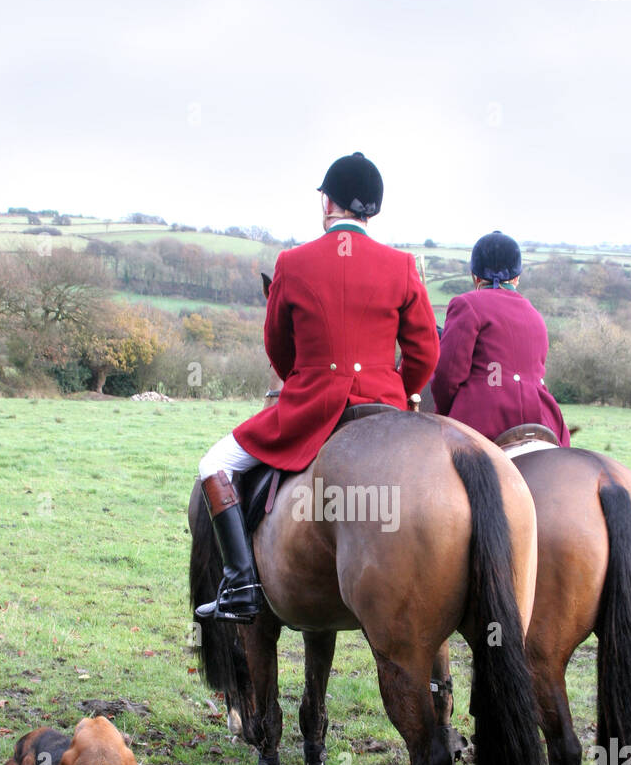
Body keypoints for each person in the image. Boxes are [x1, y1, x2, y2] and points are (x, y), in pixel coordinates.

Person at [195, 152, 440, 623]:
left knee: (215, 463)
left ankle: (241, 585)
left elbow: (277, 347)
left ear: (328, 203)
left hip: (310, 409)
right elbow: (425, 351)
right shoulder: (403, 265)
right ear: (372, 210)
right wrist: (393, 391)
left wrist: (301, 382)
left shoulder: (292, 262)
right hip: (384, 409)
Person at [431, 230, 570, 450]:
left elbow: (447, 376)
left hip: (482, 416)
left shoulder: (467, 304)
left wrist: (446, 411)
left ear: (475, 276)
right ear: (516, 277)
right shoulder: (534, 313)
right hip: (542, 417)